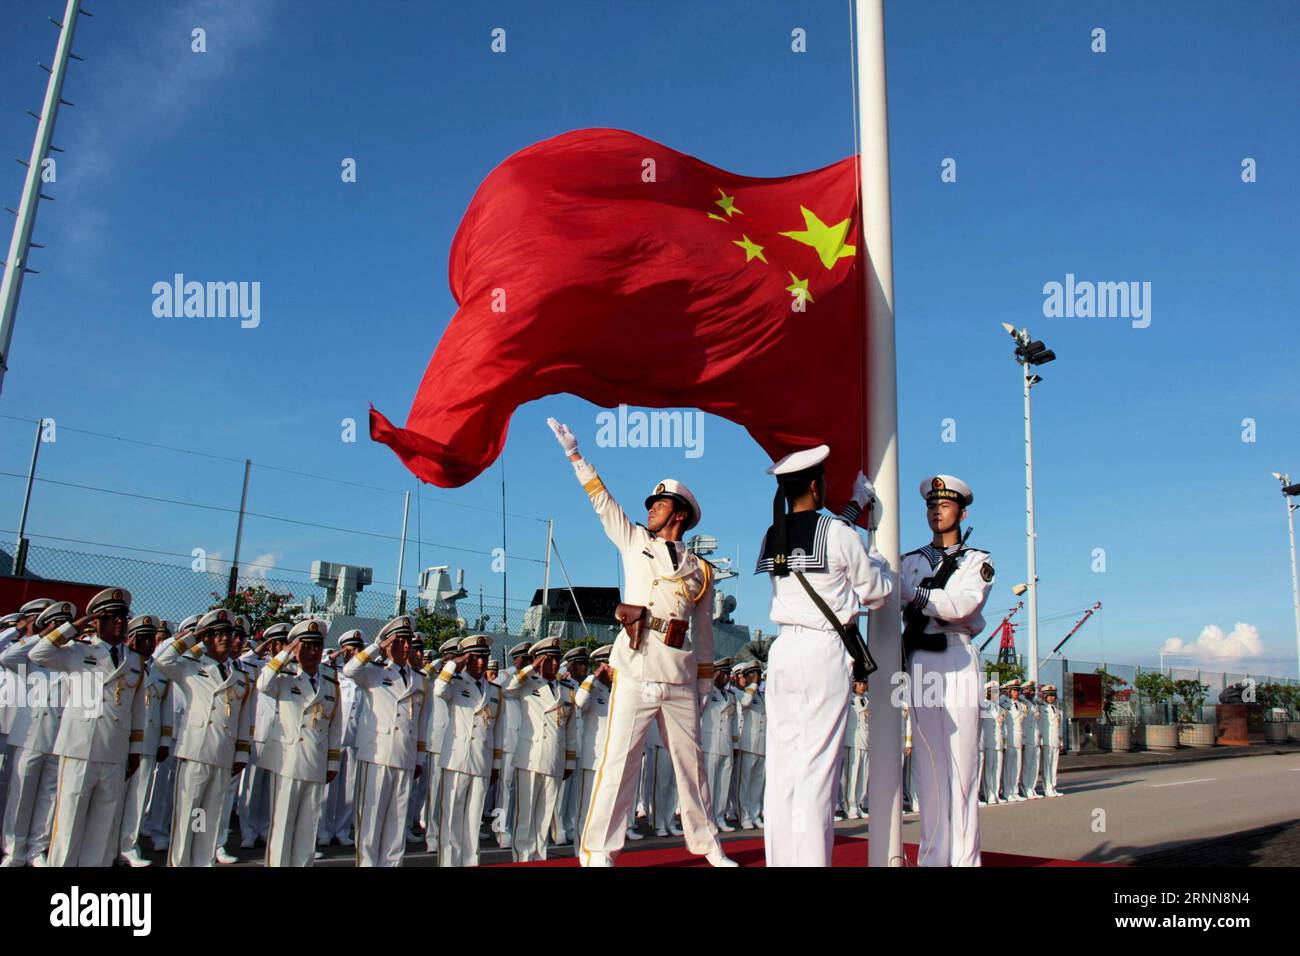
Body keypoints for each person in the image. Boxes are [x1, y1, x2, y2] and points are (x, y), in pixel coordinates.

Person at [547, 417, 735, 868]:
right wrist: (576, 456)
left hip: (680, 672)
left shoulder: (701, 570)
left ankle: (708, 844)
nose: (651, 508)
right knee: (620, 761)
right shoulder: (634, 541)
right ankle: (598, 849)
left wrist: (705, 685)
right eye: (651, 502)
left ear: (681, 514)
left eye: (660, 503)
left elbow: (704, 633)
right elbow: (602, 503)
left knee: (692, 766)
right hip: (634, 665)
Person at [755, 445, 892, 867]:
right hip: (822, 652)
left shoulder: (773, 533)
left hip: (782, 652)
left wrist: (854, 505)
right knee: (817, 772)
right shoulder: (839, 535)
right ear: (816, 486)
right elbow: (876, 593)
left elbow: (824, 535)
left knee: (782, 771)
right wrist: (880, 560)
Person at [900, 474, 994, 867]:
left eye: (945, 504)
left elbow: (962, 607)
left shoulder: (978, 561)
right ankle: (934, 857)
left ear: (962, 511)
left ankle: (965, 860)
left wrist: (918, 595)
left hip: (956, 657)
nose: (936, 509)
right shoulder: (909, 561)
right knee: (929, 766)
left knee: (962, 765)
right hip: (920, 658)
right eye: (930, 504)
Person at [31, 589, 150, 867]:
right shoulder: (78, 651)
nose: (118, 622)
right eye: (110, 617)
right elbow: (39, 653)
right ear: (96, 621)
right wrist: (77, 625)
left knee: (102, 824)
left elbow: (137, 711)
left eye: (122, 616)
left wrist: (134, 751)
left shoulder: (134, 660)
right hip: (79, 748)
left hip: (115, 750)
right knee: (69, 823)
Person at [152, 608, 255, 867]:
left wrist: (242, 753)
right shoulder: (190, 667)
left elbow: (245, 720)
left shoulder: (241, 677)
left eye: (228, 634)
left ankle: (201, 861)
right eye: (216, 634)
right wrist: (193, 638)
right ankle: (180, 862)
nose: (224, 638)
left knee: (207, 818)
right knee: (188, 816)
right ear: (206, 638)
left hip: (223, 756)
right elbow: (162, 660)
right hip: (195, 753)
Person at [342, 616, 430, 867]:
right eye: (399, 641)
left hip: (405, 756)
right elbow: (349, 670)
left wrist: (420, 757)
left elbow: (422, 722)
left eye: (408, 641)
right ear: (388, 643)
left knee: (397, 822)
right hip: (377, 756)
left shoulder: (420, 679)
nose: (405, 646)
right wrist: (376, 648)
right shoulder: (374, 672)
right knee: (370, 823)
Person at [256, 618, 343, 866]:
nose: (313, 652)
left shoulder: (330, 680)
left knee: (307, 830)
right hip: (288, 762)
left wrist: (332, 762)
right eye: (306, 646)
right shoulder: (284, 676)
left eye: (317, 646)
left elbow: (335, 724)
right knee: (282, 827)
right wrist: (286, 653)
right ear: (296, 648)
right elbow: (262, 684)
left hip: (316, 761)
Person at [0, 599, 69, 867]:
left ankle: (36, 850)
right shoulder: (28, 656)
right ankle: (14, 851)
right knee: (21, 794)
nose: (59, 632)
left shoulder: (70, 657)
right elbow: (6, 656)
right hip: (28, 735)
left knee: (49, 797)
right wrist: (39, 634)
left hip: (60, 735)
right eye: (55, 627)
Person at [429, 634, 508, 866]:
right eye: (475, 657)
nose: (481, 662)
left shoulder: (495, 691)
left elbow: (498, 733)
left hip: (481, 762)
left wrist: (495, 766)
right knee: (451, 820)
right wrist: (455, 663)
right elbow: (438, 689)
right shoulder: (454, 683)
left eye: (484, 657)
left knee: (473, 824)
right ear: (467, 658)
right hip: (456, 760)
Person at [113, 614, 171, 867]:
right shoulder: (121, 663)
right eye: (143, 638)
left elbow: (166, 707)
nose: (148, 644)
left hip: (149, 740)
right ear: (130, 639)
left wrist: (164, 741)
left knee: (138, 797)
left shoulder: (159, 670)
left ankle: (128, 845)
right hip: (120, 739)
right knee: (113, 796)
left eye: (151, 639)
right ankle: (107, 845)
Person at [319, 630, 364, 846]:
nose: (354, 653)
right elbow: (317, 667)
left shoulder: (363, 675)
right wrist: (334, 656)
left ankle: (342, 830)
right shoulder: (332, 672)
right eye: (350, 649)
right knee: (329, 787)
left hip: (355, 740)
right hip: (334, 739)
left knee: (349, 787)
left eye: (357, 649)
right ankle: (324, 830)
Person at [699, 657, 737, 833]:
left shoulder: (730, 696)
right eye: (724, 673)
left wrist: (735, 744)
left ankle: (720, 816)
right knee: (710, 783)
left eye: (729, 673)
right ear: (716, 674)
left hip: (726, 744)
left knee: (723, 783)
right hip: (710, 744)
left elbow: (734, 723)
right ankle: (707, 818)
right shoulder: (705, 693)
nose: (728, 677)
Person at [733, 661, 766, 829]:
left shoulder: (762, 695)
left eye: (758, 675)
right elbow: (745, 703)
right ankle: (744, 815)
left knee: (757, 783)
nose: (758, 678)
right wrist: (752, 685)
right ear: (746, 677)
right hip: (747, 744)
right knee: (744, 784)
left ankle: (755, 814)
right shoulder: (739, 693)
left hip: (762, 745)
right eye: (753, 675)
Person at [845, 681, 869, 819]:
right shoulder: (849, 698)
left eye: (863, 684)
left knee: (863, 776)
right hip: (852, 740)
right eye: (859, 684)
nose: (862, 686)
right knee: (852, 777)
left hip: (865, 740)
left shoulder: (867, 699)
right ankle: (850, 807)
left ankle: (859, 804)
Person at [978, 679, 1004, 806]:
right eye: (992, 692)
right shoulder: (983, 705)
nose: (995, 694)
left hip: (997, 742)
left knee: (997, 768)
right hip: (987, 742)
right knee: (988, 769)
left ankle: (995, 792)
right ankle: (989, 794)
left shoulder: (998, 707)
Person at [1000, 679, 1025, 803]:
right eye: (1014, 690)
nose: (1016, 693)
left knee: (1017, 765)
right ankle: (1007, 791)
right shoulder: (1004, 703)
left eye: (1018, 690)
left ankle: (1015, 791)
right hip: (1009, 737)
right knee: (1009, 766)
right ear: (1009, 691)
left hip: (1018, 738)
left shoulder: (1020, 705)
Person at [1038, 685, 1064, 797]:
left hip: (1055, 740)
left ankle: (1053, 786)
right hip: (1046, 740)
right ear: (1044, 696)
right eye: (1049, 695)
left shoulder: (1058, 710)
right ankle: (1047, 787)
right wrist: (1041, 740)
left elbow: (1059, 728)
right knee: (1046, 765)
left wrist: (1061, 741)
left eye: (1053, 696)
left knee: (1054, 765)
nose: (1051, 698)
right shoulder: (1041, 709)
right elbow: (1040, 726)